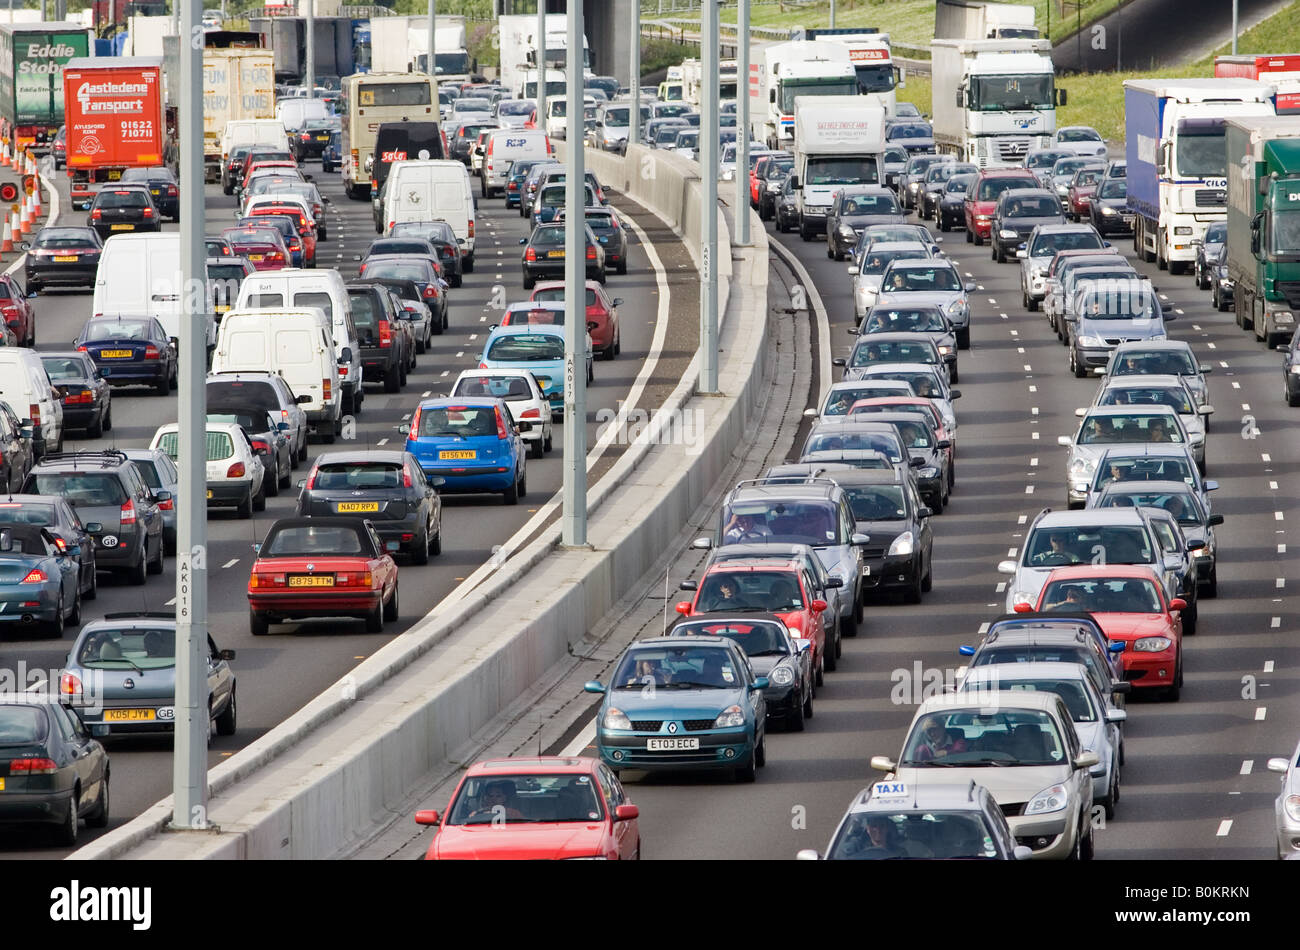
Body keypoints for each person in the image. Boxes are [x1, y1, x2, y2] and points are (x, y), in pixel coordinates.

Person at [858, 814, 932, 858]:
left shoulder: (900, 852)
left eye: (882, 826)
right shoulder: (858, 851)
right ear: (867, 829)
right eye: (874, 826)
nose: (878, 830)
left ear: (887, 828)